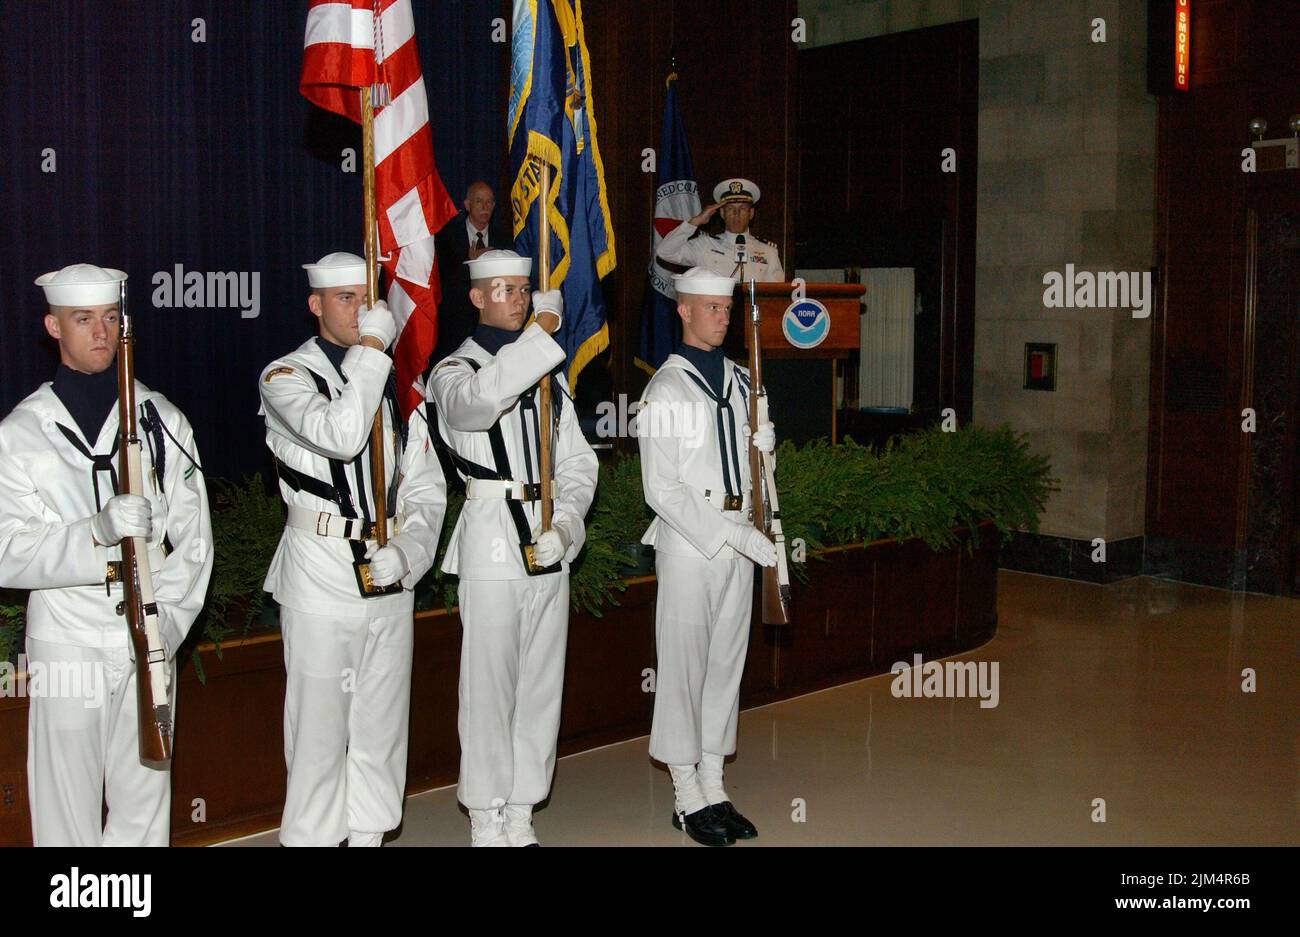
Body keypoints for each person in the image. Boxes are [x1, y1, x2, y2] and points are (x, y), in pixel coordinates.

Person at [0, 262, 213, 846]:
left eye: (111, 317)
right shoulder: (20, 433)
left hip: (148, 635)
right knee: (65, 803)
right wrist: (93, 533)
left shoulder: (161, 420)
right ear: (52, 326)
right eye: (83, 318)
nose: (100, 330)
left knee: (145, 799)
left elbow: (194, 539)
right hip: (67, 635)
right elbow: (8, 553)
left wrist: (166, 619)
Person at [258, 251, 446, 847]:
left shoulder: (395, 386)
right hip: (320, 574)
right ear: (315, 305)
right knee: (318, 731)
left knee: (381, 727)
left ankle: (368, 837)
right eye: (346, 299)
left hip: (387, 574)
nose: (363, 309)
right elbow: (339, 436)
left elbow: (425, 489)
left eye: (369, 298)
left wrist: (411, 553)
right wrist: (372, 350)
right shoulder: (283, 377)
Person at [425, 249, 598, 846]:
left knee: (541, 683)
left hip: (547, 537)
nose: (520, 299)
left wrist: (568, 525)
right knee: (489, 688)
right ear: (477, 297)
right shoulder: (452, 371)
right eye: (506, 290)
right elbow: (474, 408)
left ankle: (522, 811)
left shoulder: (548, 374)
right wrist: (543, 338)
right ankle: (485, 816)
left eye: (525, 289)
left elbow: (578, 462)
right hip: (492, 538)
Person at [636, 266, 778, 847]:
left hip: (741, 534)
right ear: (683, 311)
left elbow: (759, 473)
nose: (721, 319)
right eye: (709, 309)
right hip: (692, 543)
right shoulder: (665, 389)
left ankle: (714, 787)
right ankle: (686, 795)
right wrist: (728, 535)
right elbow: (660, 490)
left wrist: (767, 461)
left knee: (724, 668)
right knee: (684, 671)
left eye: (725, 310)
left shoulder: (747, 383)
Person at [431, 181, 512, 365]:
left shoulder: (504, 239)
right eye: (479, 201)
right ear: (467, 205)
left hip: (492, 329)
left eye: (490, 202)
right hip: (454, 328)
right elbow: (438, 282)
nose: (485, 207)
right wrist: (470, 265)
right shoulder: (446, 236)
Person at [655, 178, 785, 282]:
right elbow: (665, 252)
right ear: (722, 213)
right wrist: (695, 221)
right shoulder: (704, 245)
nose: (736, 214)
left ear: (751, 214)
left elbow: (773, 297)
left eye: (743, 209)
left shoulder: (768, 252)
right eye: (730, 209)